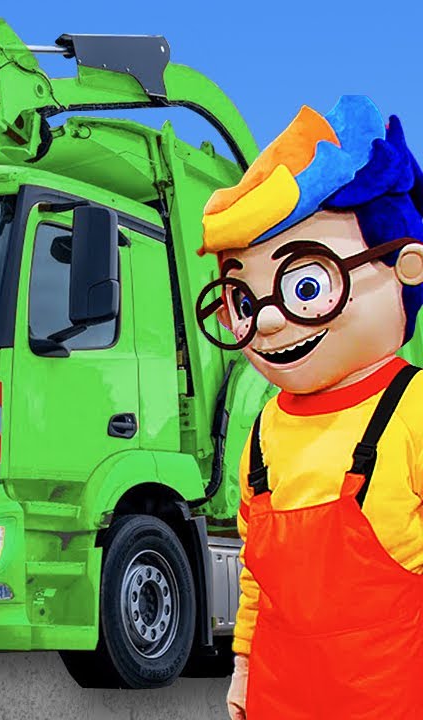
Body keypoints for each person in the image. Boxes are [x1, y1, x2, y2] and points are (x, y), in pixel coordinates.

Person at [195, 95, 423, 719]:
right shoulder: (265, 429)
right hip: (280, 696)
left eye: (305, 285)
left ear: (405, 266)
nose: (267, 321)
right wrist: (243, 669)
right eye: (243, 301)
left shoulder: (412, 408)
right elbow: (256, 577)